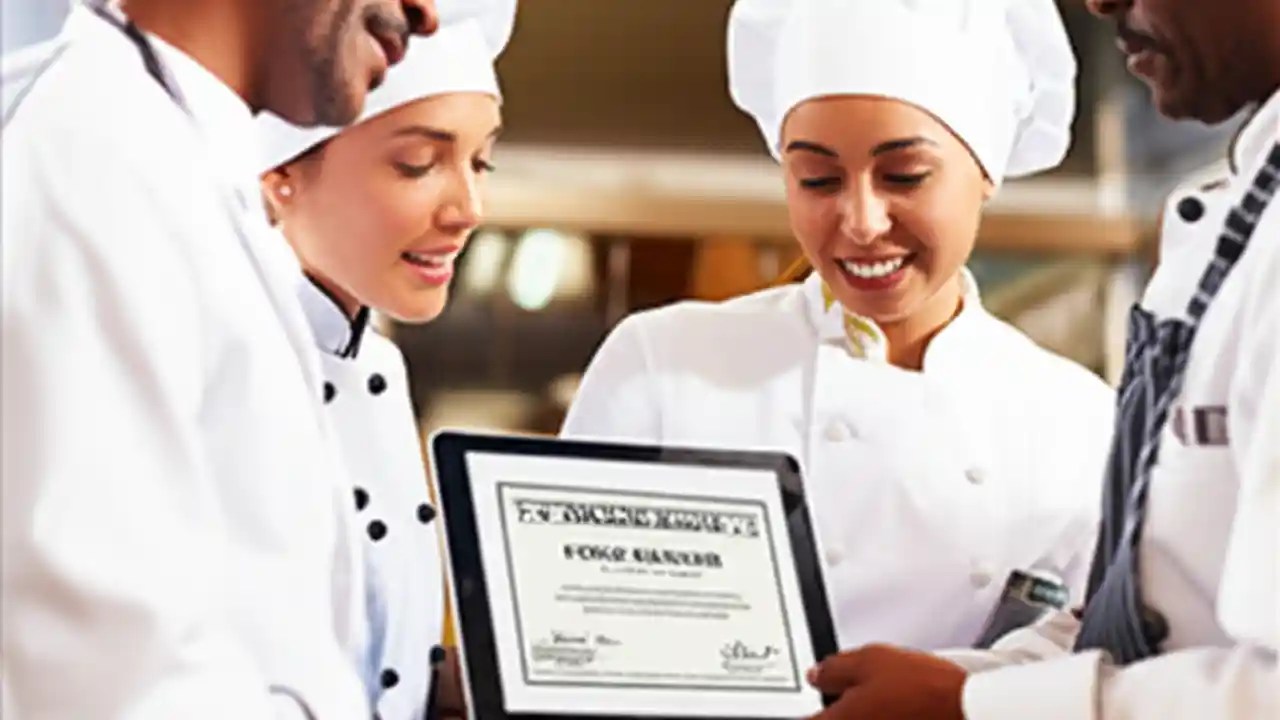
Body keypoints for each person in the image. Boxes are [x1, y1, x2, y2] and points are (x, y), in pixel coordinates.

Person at [562, 0, 1115, 654]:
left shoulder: (1080, 422)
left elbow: (1091, 669)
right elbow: (568, 631)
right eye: (817, 179)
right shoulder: (664, 365)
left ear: (986, 170)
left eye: (904, 176)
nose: (860, 221)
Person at [0, 0, 487, 717]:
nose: (423, 13)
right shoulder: (99, 159)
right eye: (418, 161)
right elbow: (105, 676)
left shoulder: (174, 159)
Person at [803, 0, 1280, 718]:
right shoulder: (1238, 210)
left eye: (905, 175)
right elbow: (1145, 620)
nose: (1100, 3)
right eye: (816, 179)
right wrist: (967, 688)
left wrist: (973, 708)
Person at [254, 2, 513, 716]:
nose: (469, 207)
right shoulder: (214, 357)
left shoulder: (378, 366)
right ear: (279, 173)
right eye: (419, 164)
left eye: (482, 160)